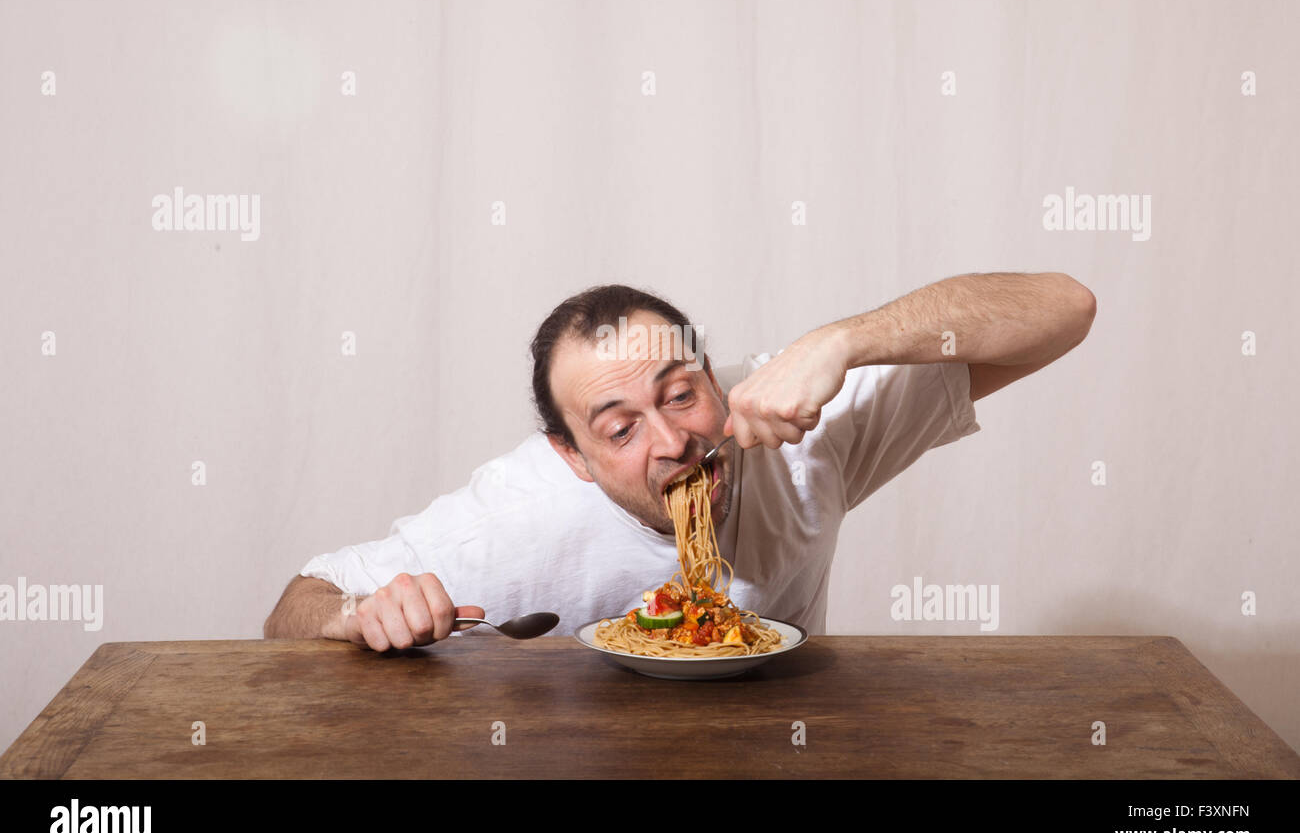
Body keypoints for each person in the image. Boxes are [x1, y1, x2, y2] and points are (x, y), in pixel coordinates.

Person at [264, 274, 1096, 650]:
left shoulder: (788, 422)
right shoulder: (521, 514)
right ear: (573, 458)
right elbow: (293, 607)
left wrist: (842, 341)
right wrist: (355, 615)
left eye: (680, 392)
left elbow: (1066, 310)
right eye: (619, 429)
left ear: (712, 372)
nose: (672, 442)